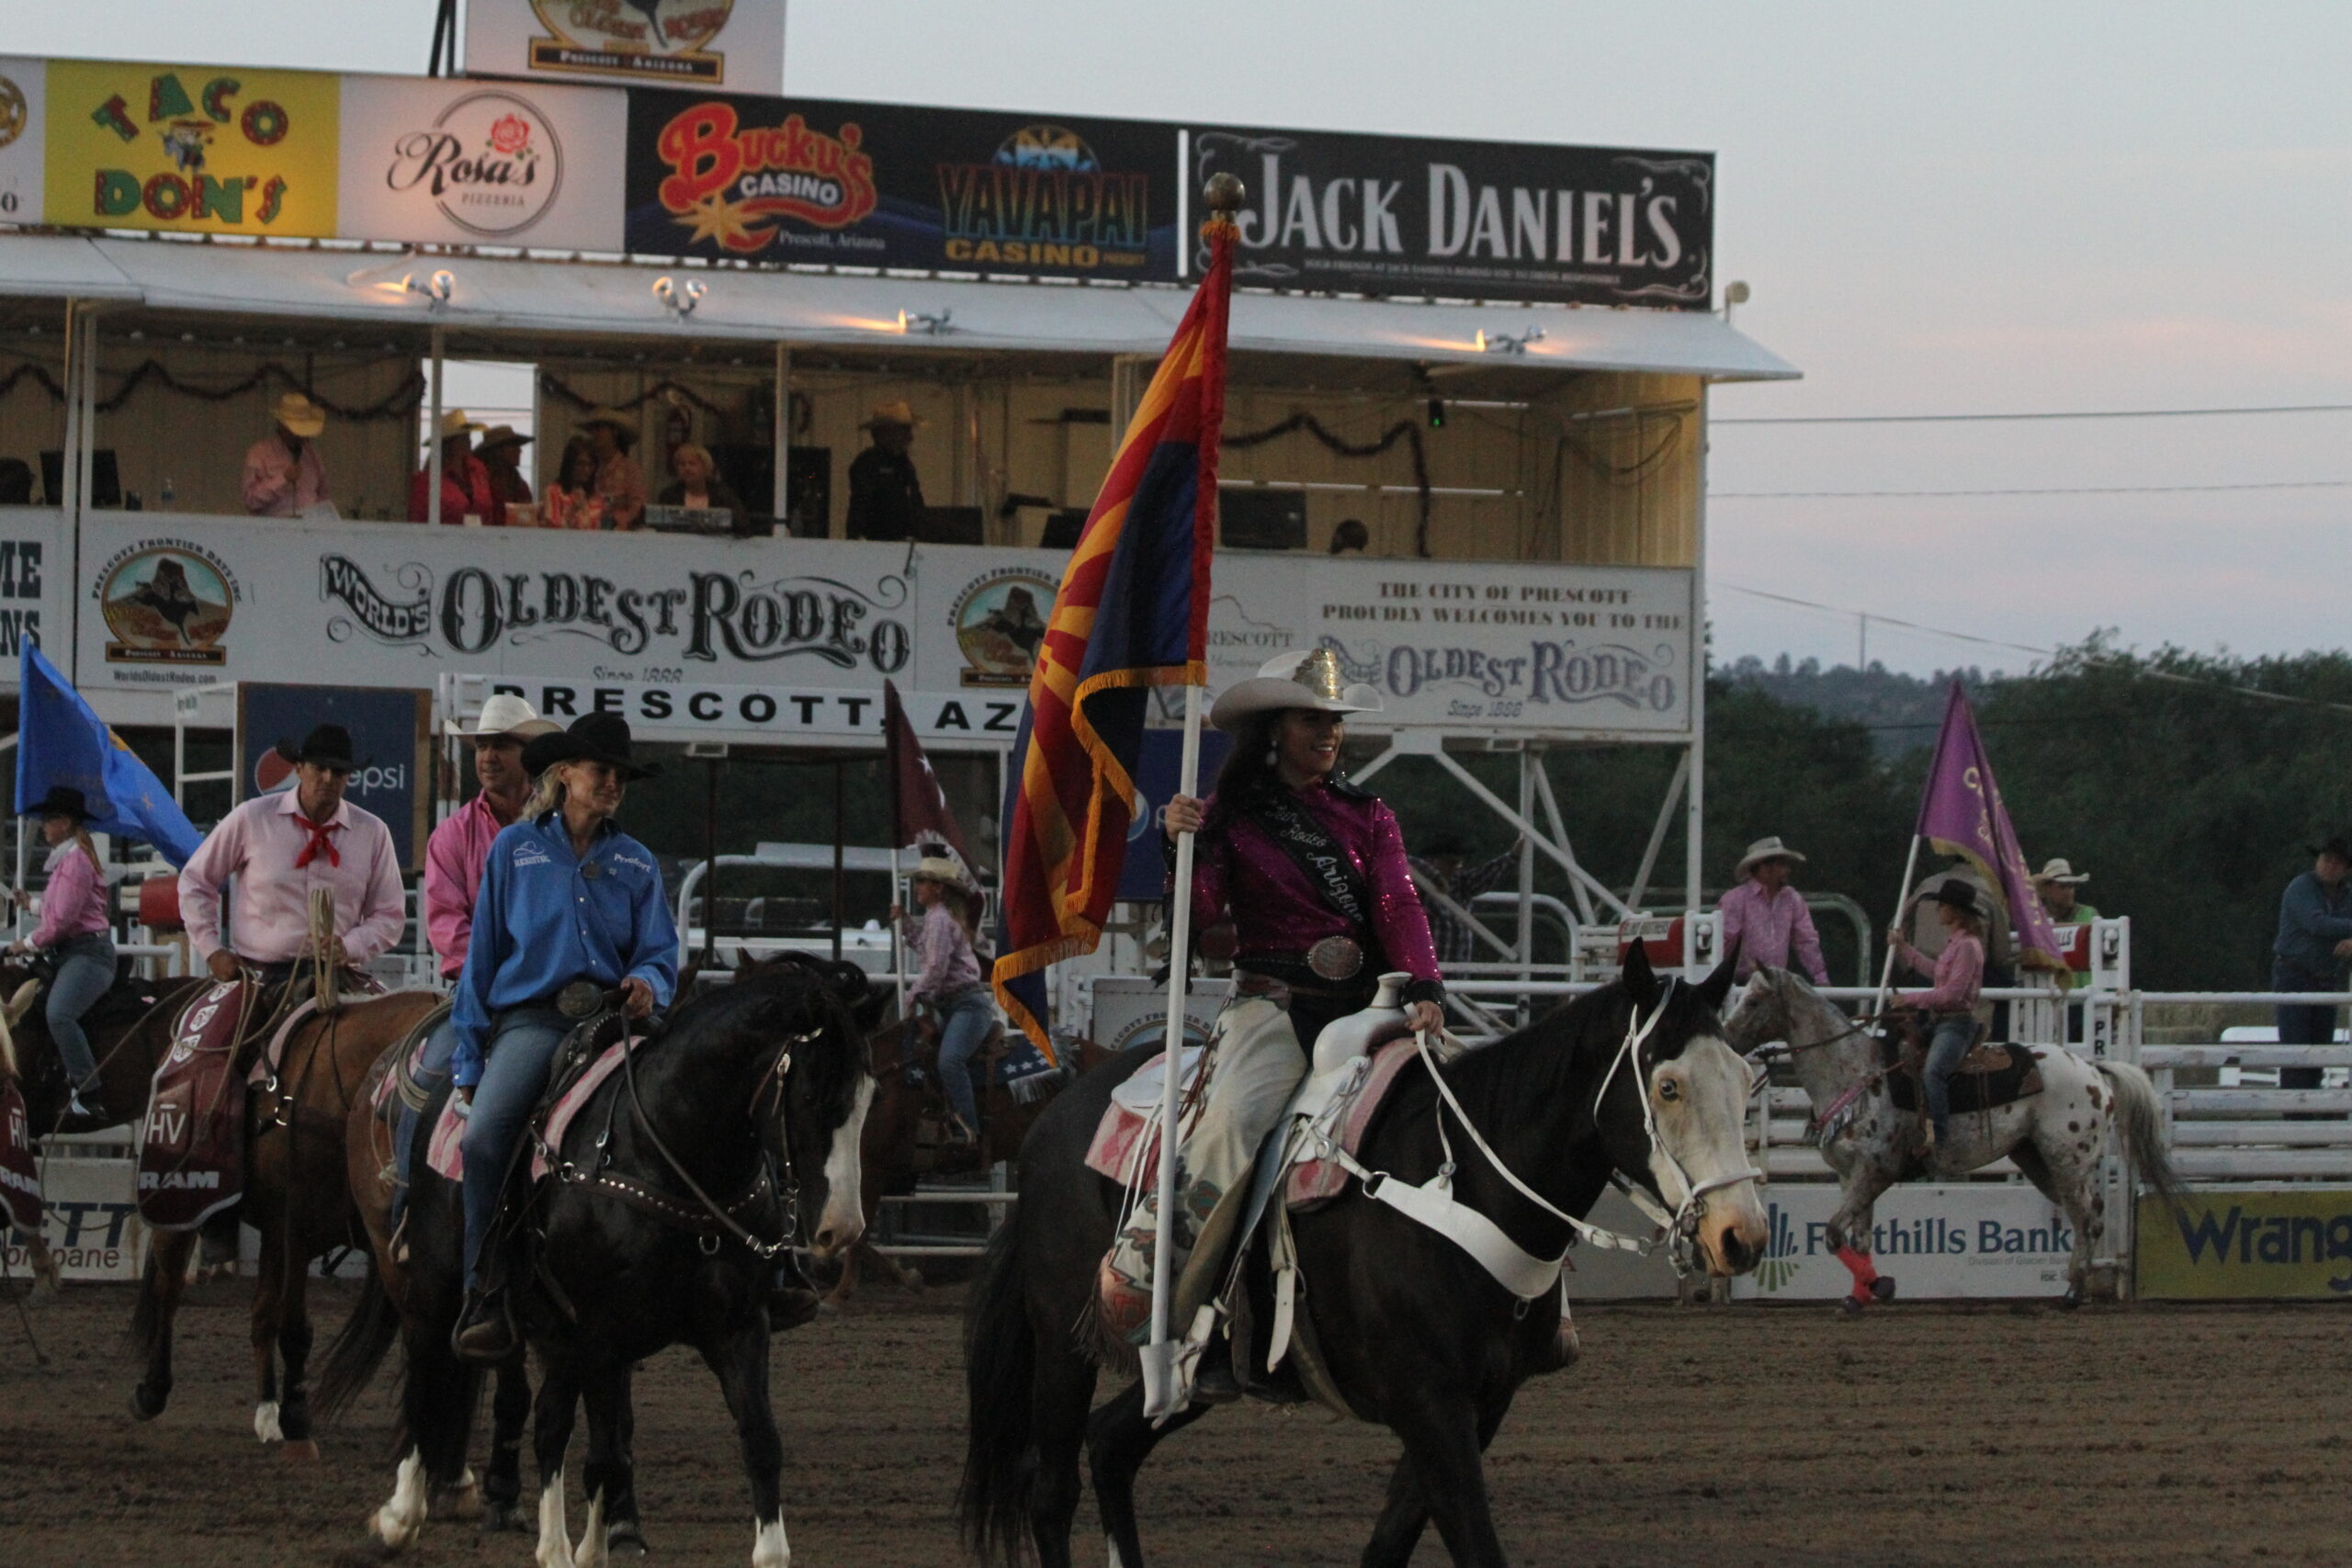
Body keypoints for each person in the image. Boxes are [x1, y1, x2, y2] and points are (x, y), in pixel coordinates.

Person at [1136, 649, 1444, 1395]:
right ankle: (1191, 1312)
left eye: (1335, 721)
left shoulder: (1370, 816)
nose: (1330, 733)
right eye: (1315, 719)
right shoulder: (1230, 818)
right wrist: (1183, 842)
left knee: (1460, 1109)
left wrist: (1427, 983)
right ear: (1277, 728)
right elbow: (1201, 914)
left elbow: (1398, 905)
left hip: (1366, 1008)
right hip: (1273, 1006)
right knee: (1232, 1127)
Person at [448, 713, 677, 1359]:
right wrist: (469, 1054)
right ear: (566, 773)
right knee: (486, 1134)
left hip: (614, 1020)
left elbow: (661, 950)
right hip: (534, 1020)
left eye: (621, 776)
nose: (613, 784)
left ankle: (746, 1264)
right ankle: (483, 1287)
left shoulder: (635, 861)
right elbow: (482, 960)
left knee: (698, 1098)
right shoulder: (513, 851)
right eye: (602, 771)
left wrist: (648, 983)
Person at [178, 725, 406, 986]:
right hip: (258, 977)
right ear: (299, 769)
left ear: (348, 778)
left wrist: (349, 946)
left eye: (339, 771)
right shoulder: (252, 817)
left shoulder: (372, 832)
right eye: (319, 768)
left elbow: (390, 914)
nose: (328, 778)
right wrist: (212, 951)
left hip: (337, 975)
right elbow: (196, 880)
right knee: (214, 1028)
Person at [6, 786, 116, 1121]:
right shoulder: (71, 861)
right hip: (73, 951)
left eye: (48, 819)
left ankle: (88, 1091)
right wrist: (32, 904)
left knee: (59, 1013)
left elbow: (61, 924)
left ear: (65, 822)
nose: (43, 825)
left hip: (87, 953)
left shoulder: (75, 863)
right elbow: (60, 910)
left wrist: (19, 946)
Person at [890, 854, 993, 1145]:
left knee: (949, 1061)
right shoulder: (938, 919)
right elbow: (926, 950)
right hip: (953, 1005)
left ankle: (968, 1129)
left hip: (965, 1005)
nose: (918, 886)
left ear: (938, 888)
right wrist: (906, 922)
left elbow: (935, 968)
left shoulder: (939, 921)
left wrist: (911, 998)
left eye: (922, 881)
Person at [1889, 880, 1986, 1153]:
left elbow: (1952, 994)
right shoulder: (1957, 943)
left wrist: (1909, 999)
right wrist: (1904, 947)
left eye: (1942, 905)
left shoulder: (1967, 946)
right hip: (1943, 1021)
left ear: (1955, 910)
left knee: (1933, 1072)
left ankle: (1940, 1138)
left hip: (1957, 1023)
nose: (1938, 910)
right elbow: (1936, 972)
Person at [2271, 835, 2352, 1099]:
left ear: (2346, 869)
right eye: (2326, 859)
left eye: (2337, 862)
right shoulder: (2301, 888)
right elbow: (2317, 924)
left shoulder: (2346, 896)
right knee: (2296, 1053)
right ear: (2318, 861)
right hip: (2294, 975)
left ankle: (2308, 1119)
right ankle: (2297, 1121)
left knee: (2318, 1053)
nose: (2330, 866)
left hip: (2325, 979)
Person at [1718, 835, 1831, 985]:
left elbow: (1806, 940)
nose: (1787, 870)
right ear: (1764, 867)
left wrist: (1820, 976)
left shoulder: (1792, 899)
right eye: (1781, 864)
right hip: (1740, 984)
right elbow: (1724, 942)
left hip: (1776, 984)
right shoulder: (1735, 899)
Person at [1407, 830, 1521, 967]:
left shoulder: (1461, 884)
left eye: (1459, 864)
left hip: (1456, 976)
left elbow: (1488, 874)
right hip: (1424, 975)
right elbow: (1398, 860)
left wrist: (1513, 856)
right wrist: (1434, 877)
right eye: (1451, 863)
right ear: (1431, 861)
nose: (1455, 869)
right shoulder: (1415, 887)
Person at [241, 391, 330, 517]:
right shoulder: (259, 454)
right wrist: (283, 479)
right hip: (273, 530)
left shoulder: (313, 456)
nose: (301, 436)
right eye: (296, 431)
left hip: (309, 529)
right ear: (282, 426)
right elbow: (250, 501)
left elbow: (323, 496)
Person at [844, 400, 924, 541]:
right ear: (885, 432)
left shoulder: (905, 465)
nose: (910, 437)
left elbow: (915, 504)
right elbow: (860, 506)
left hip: (904, 545)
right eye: (904, 430)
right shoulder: (867, 463)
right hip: (876, 545)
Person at [408, 410, 492, 525]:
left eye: (468, 436)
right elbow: (417, 520)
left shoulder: (478, 470)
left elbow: (489, 512)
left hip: (481, 539)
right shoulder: (426, 482)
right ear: (449, 444)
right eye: (463, 437)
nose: (470, 441)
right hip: (442, 540)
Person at [579, 408, 647, 531]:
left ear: (614, 432)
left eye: (599, 428)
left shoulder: (630, 470)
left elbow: (637, 507)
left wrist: (621, 522)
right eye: (592, 429)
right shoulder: (587, 467)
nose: (594, 433)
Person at [657, 442, 750, 532]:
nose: (687, 468)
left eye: (692, 464)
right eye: (682, 464)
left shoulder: (723, 495)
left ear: (705, 467)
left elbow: (742, 523)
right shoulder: (668, 495)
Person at [543, 435, 606, 530]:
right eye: (580, 464)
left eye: (590, 464)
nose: (586, 469)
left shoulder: (597, 497)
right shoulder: (554, 491)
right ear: (569, 464)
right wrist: (571, 513)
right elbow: (552, 527)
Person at [476, 425, 534, 525]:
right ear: (497, 451)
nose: (519, 450)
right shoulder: (480, 481)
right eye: (513, 446)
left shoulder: (520, 485)